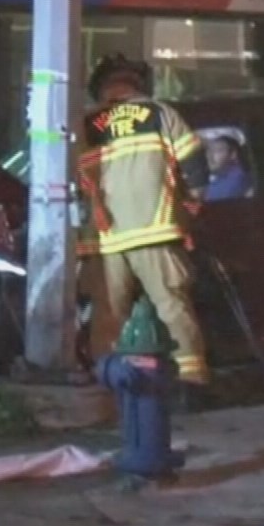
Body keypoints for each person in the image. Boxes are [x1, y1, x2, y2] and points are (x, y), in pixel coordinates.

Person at [78, 53, 210, 393]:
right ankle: (189, 380)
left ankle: (110, 381)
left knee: (108, 314)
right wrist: (191, 207)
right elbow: (194, 164)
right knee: (170, 305)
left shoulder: (86, 125)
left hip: (104, 238)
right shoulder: (160, 113)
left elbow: (73, 181)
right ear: (138, 84)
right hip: (155, 228)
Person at [199, 128, 252, 202]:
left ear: (233, 154)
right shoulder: (216, 176)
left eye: (217, 150)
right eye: (207, 150)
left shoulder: (236, 179)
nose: (209, 156)